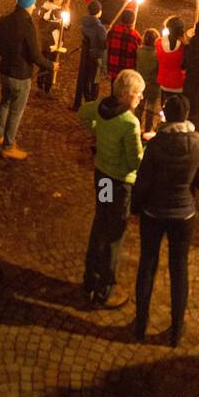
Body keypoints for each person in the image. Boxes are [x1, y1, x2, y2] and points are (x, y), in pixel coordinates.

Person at [130, 93, 199, 347]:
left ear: (166, 114)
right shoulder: (198, 144)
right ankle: (176, 329)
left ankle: (140, 323)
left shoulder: (156, 144)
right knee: (179, 269)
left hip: (154, 213)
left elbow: (143, 181)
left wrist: (135, 207)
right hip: (183, 214)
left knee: (147, 265)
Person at [78, 69, 145, 308]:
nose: (141, 98)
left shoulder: (102, 107)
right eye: (138, 94)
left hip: (102, 176)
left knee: (100, 223)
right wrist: (146, 147)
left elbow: (84, 113)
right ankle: (105, 289)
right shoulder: (129, 122)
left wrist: (98, 132)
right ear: (127, 95)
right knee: (115, 234)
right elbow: (136, 161)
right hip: (119, 183)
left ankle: (89, 278)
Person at [0, 0, 50, 160]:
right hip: (20, 75)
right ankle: (8, 146)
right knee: (16, 111)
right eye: (33, 3)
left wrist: (7, 55)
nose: (35, 6)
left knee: (4, 103)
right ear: (28, 5)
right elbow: (34, 54)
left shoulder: (5, 18)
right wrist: (50, 65)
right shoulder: (28, 24)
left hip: (4, 70)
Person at [73, 0, 107, 111]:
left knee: (84, 78)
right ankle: (91, 104)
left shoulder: (85, 23)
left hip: (86, 55)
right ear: (99, 12)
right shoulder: (99, 27)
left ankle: (80, 102)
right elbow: (103, 43)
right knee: (94, 81)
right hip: (96, 57)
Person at [36, 0, 64, 94]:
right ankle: (46, 88)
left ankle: (42, 86)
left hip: (50, 42)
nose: (62, 1)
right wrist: (57, 24)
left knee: (45, 64)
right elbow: (46, 26)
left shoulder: (54, 11)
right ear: (55, 0)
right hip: (50, 43)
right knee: (49, 66)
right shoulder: (50, 12)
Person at [155, 17, 187, 103]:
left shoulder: (158, 43)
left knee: (165, 108)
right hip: (178, 85)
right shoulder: (184, 47)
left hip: (163, 83)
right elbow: (185, 65)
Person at [105, 9, 141, 83]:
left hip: (113, 67)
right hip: (127, 70)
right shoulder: (134, 35)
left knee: (114, 85)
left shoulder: (113, 30)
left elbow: (107, 43)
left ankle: (113, 94)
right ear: (133, 21)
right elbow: (138, 51)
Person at [135, 27, 161, 127]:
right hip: (153, 86)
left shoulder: (139, 51)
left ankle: (136, 127)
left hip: (140, 84)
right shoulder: (157, 54)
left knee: (139, 108)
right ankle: (147, 128)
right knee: (150, 109)